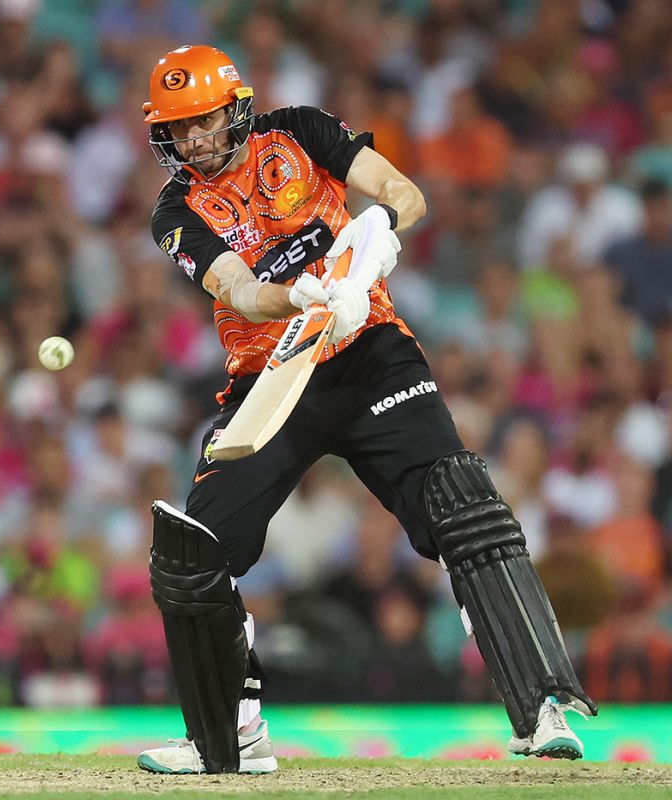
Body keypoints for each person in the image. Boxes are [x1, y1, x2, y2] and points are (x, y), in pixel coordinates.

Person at [137, 45, 596, 775]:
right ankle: (228, 737)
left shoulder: (301, 130)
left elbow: (402, 192)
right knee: (192, 553)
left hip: (370, 349)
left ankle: (541, 706)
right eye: (178, 128)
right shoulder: (175, 209)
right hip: (276, 372)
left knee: (461, 503)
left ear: (235, 107)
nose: (191, 140)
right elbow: (241, 292)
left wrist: (377, 237)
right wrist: (302, 296)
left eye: (202, 121)